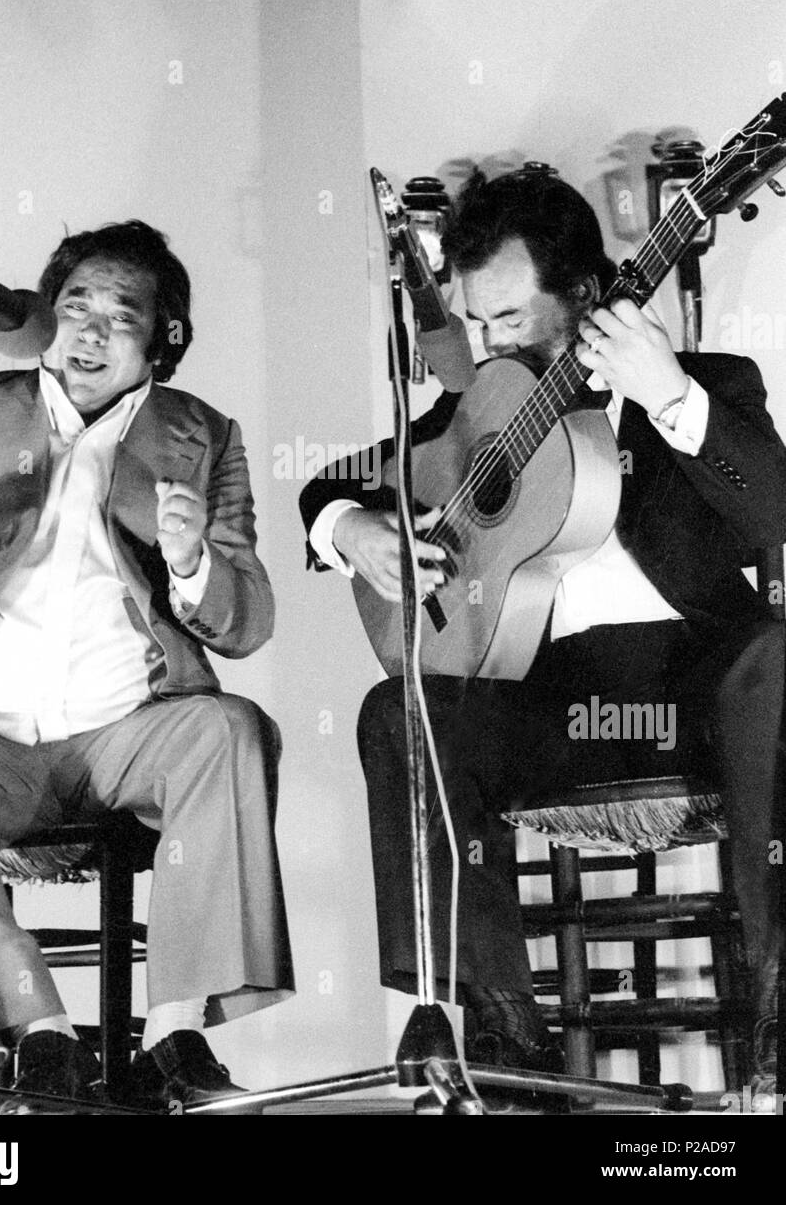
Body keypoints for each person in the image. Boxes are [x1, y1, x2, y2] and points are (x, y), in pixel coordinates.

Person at [299, 168, 786, 1102]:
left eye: (509, 321)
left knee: (782, 658)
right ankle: (497, 1046)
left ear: (587, 295)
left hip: (692, 696)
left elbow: (774, 511)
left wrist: (672, 397)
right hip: (543, 705)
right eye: (476, 323)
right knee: (398, 709)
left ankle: (778, 1022)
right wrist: (348, 532)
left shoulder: (714, 384)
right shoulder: (480, 412)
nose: (484, 346)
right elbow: (335, 485)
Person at [0, 219, 293, 1113]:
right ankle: (40, 1039)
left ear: (162, 341)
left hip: (125, 733)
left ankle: (174, 1038)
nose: (91, 333)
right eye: (75, 308)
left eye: (122, 316)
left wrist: (190, 564)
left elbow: (247, 621)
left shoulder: (202, 435)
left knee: (231, 727)